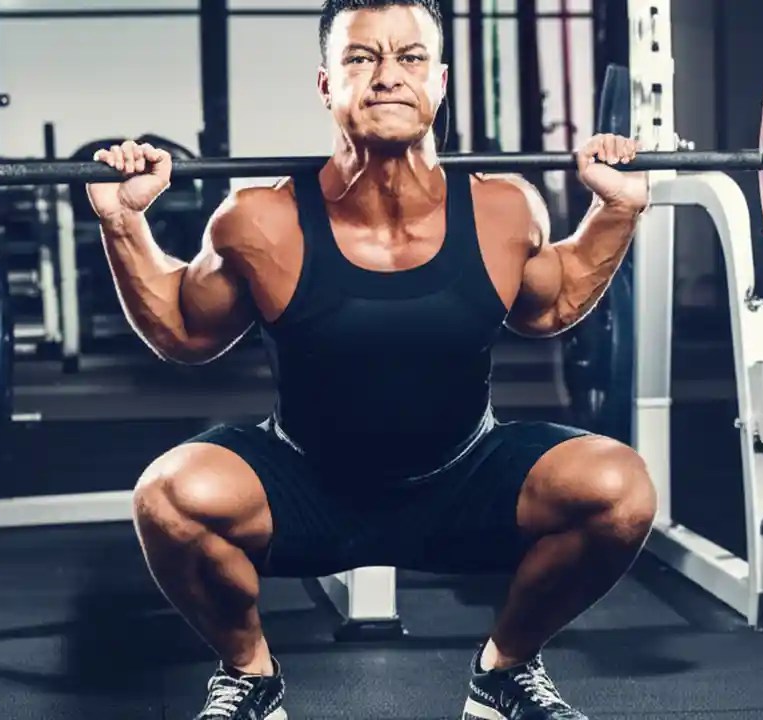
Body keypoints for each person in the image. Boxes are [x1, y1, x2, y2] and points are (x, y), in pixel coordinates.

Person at [85, 1, 656, 717]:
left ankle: (505, 671)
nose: (388, 76)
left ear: (439, 81)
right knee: (168, 496)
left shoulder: (505, 209)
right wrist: (122, 223)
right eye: (361, 58)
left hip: (464, 479)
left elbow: (551, 306)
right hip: (303, 484)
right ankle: (249, 676)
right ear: (327, 85)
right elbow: (183, 332)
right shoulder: (261, 218)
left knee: (620, 488)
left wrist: (617, 211)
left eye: (410, 57)